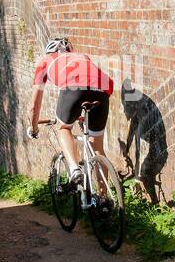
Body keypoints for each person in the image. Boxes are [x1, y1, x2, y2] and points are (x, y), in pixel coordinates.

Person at [27, 38, 116, 183]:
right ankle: (103, 199)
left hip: (73, 87)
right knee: (97, 146)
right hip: (102, 89)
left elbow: (34, 105)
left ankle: (74, 169)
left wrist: (34, 127)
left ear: (50, 52)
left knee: (63, 128)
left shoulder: (45, 61)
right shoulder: (82, 57)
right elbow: (88, 84)